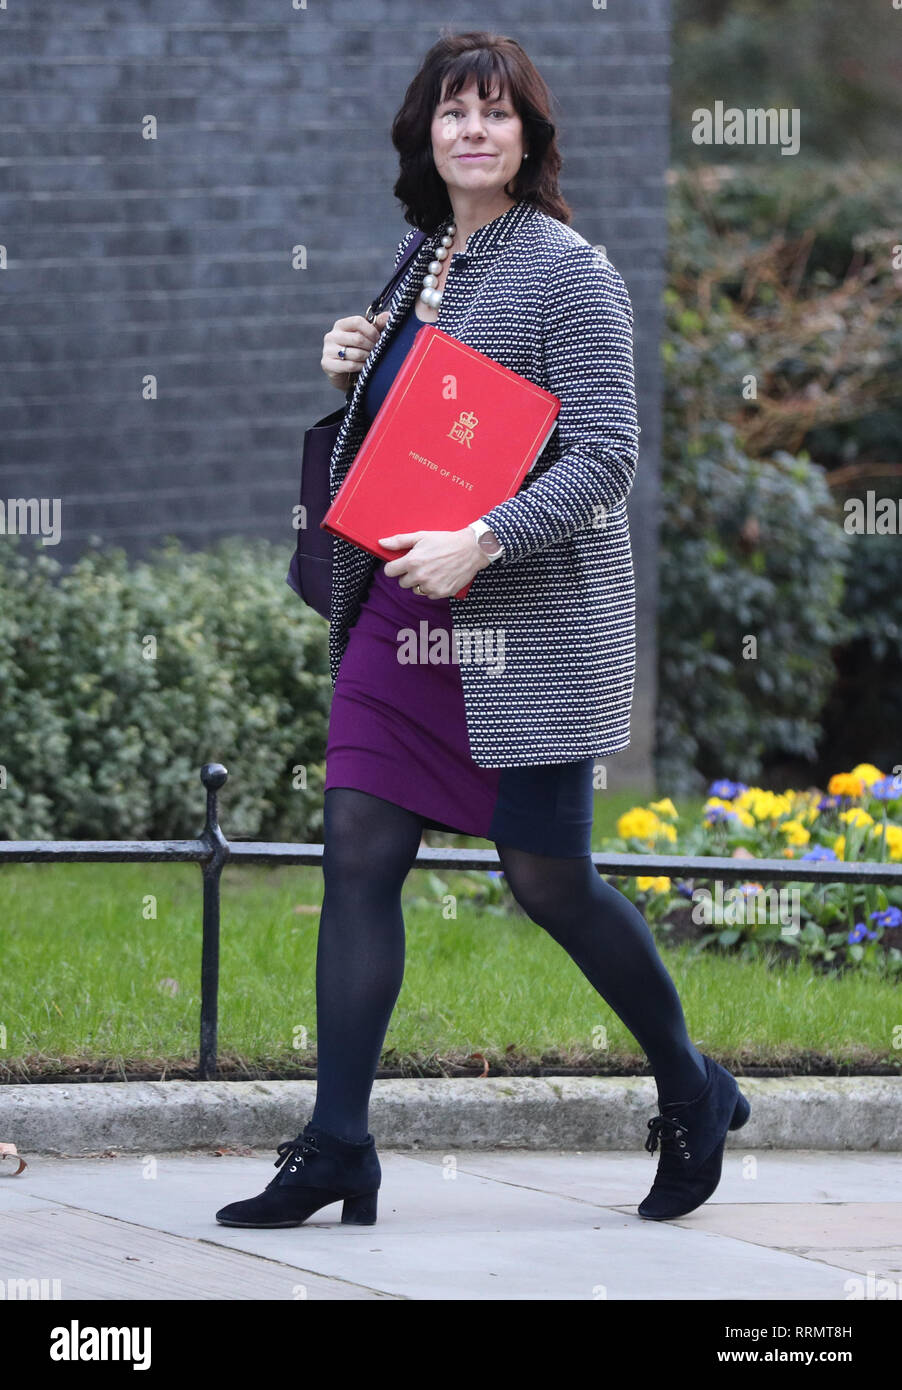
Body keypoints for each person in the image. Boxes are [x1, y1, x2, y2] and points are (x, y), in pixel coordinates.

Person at [216, 29, 750, 1233]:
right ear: (423, 135)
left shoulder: (568, 271)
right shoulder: (418, 259)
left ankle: (691, 1089)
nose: (472, 129)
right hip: (399, 610)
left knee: (549, 880)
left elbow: (606, 456)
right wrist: (351, 360)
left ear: (527, 137)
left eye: (494, 112)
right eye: (452, 112)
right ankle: (337, 1142)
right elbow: (432, 429)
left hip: (524, 625)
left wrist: (486, 541)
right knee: (355, 850)